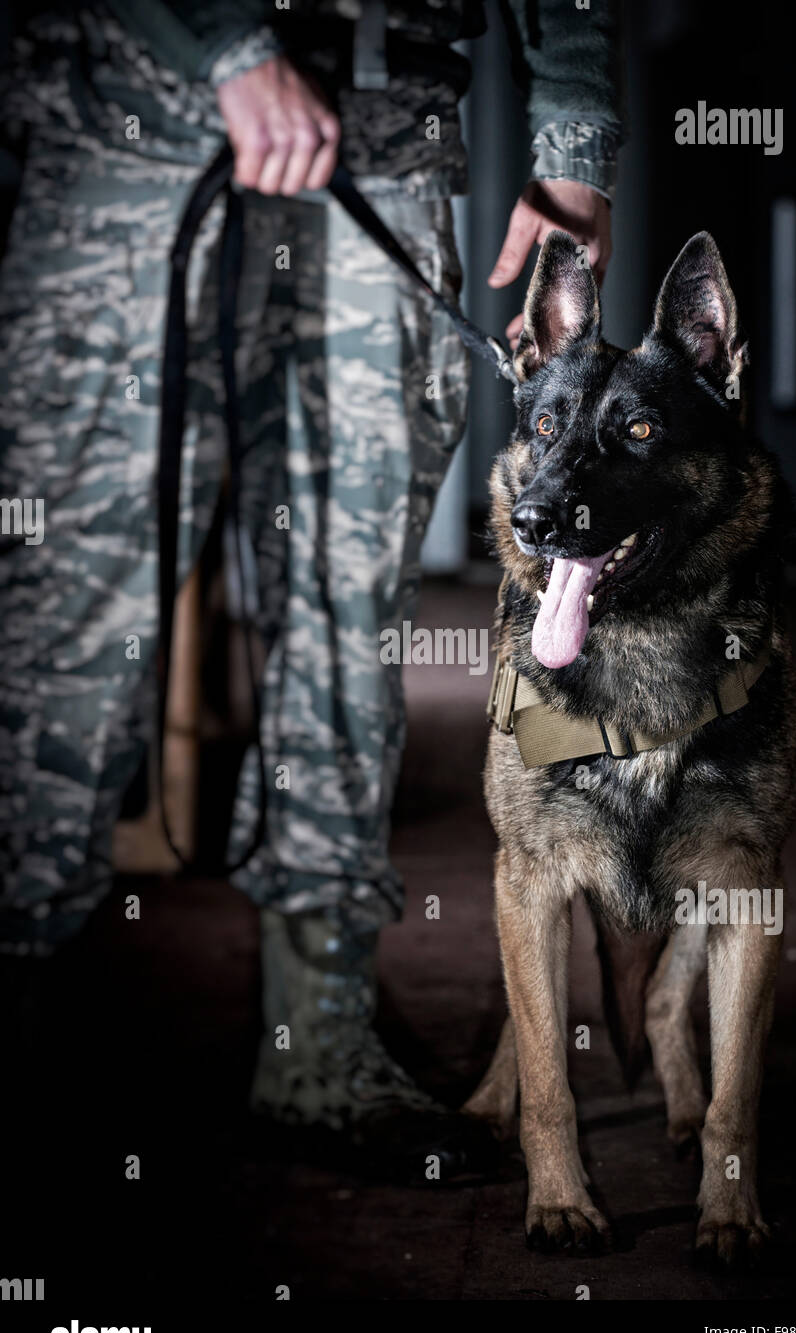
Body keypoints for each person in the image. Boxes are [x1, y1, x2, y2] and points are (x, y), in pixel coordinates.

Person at [0, 1, 623, 1176]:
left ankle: (319, 1040)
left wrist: (575, 136)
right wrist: (227, 47)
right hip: (127, 134)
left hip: (380, 149)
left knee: (353, 609)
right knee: (65, 616)